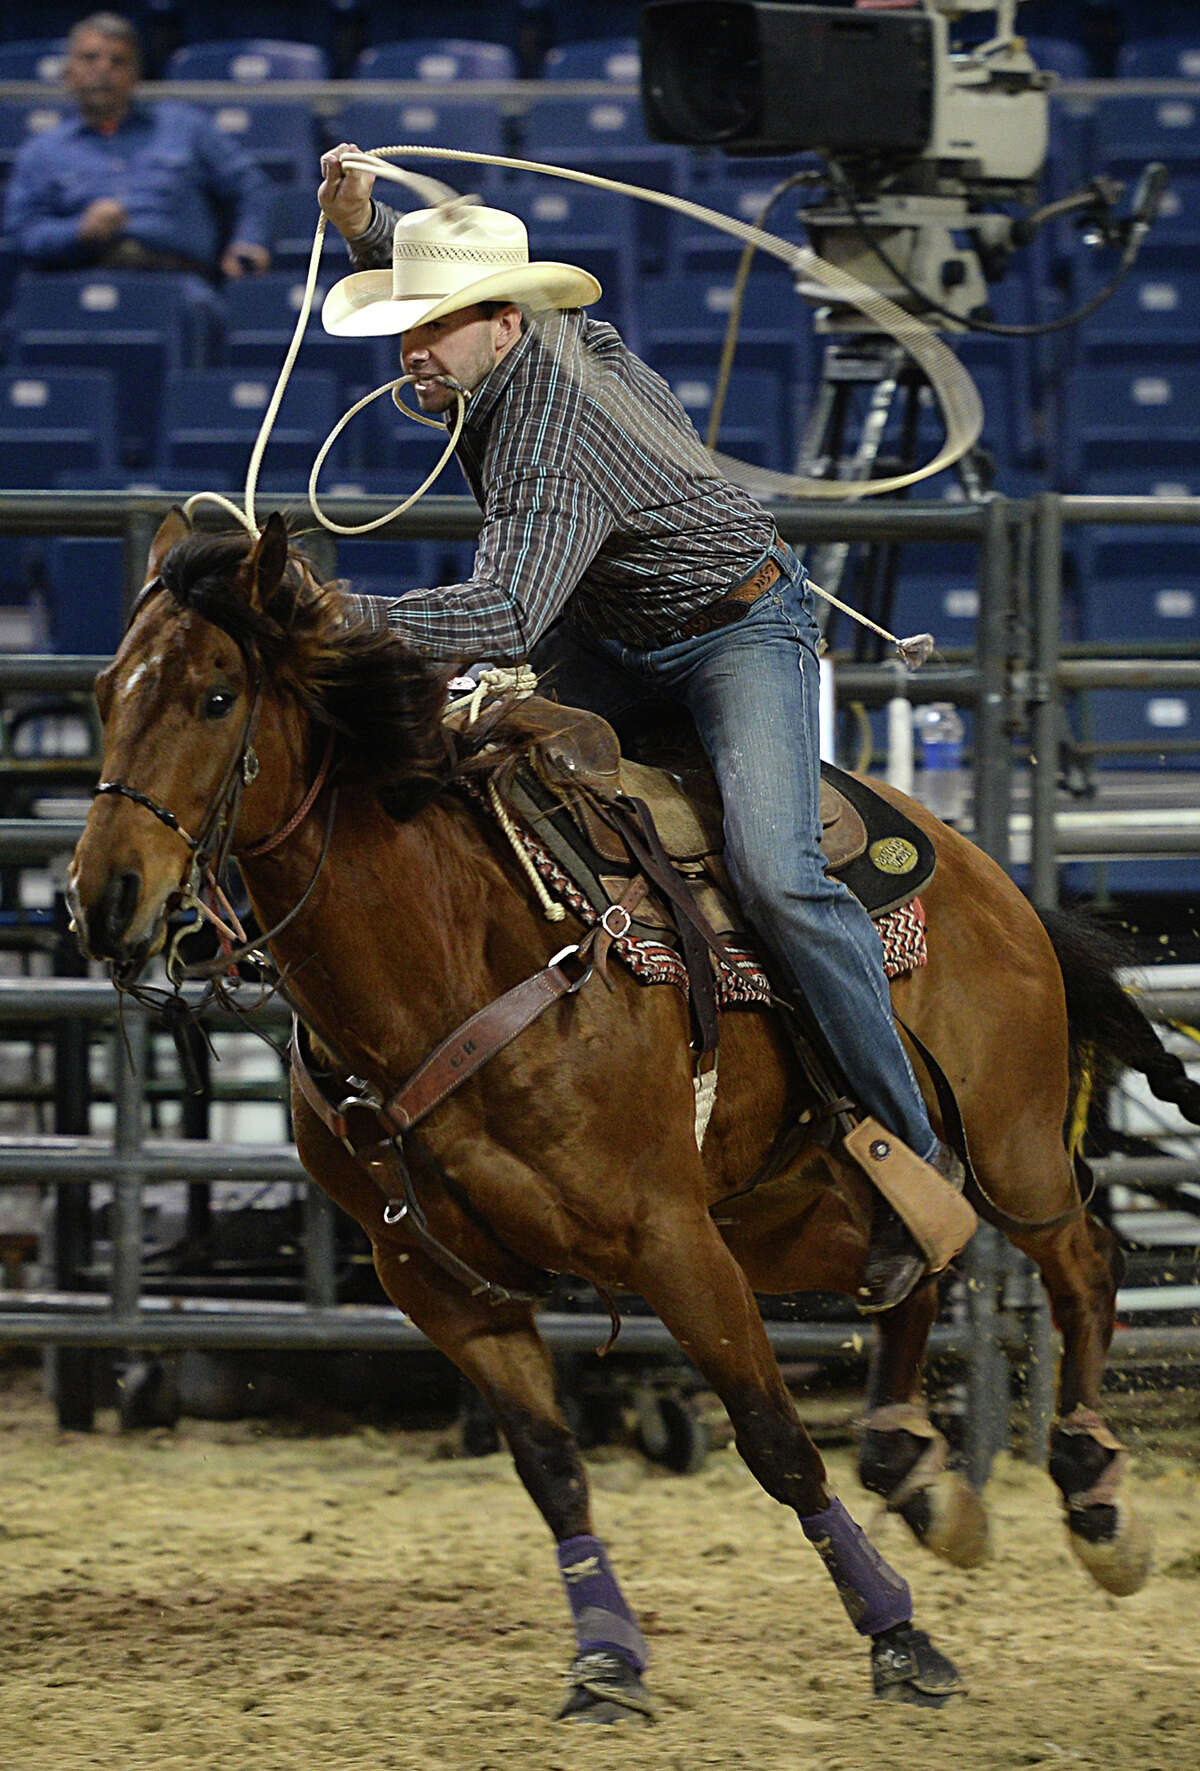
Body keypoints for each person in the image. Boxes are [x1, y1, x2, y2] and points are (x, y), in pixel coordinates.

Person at [315, 145, 967, 1311]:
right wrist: (372, 237)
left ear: (506, 326)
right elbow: (449, 333)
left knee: (778, 872)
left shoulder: (554, 431)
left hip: (737, 634)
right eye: (406, 327)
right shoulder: (516, 354)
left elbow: (511, 610)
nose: (413, 352)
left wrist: (344, 614)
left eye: (435, 328)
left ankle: (913, 1144)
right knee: (479, 804)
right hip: (609, 632)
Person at [3, 12, 273, 280]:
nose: (103, 69)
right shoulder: (42, 151)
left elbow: (251, 186)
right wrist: (79, 230)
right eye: (90, 58)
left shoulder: (186, 127)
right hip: (75, 282)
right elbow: (21, 234)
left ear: (136, 75)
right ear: (68, 73)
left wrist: (249, 241)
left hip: (176, 285)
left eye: (118, 61)